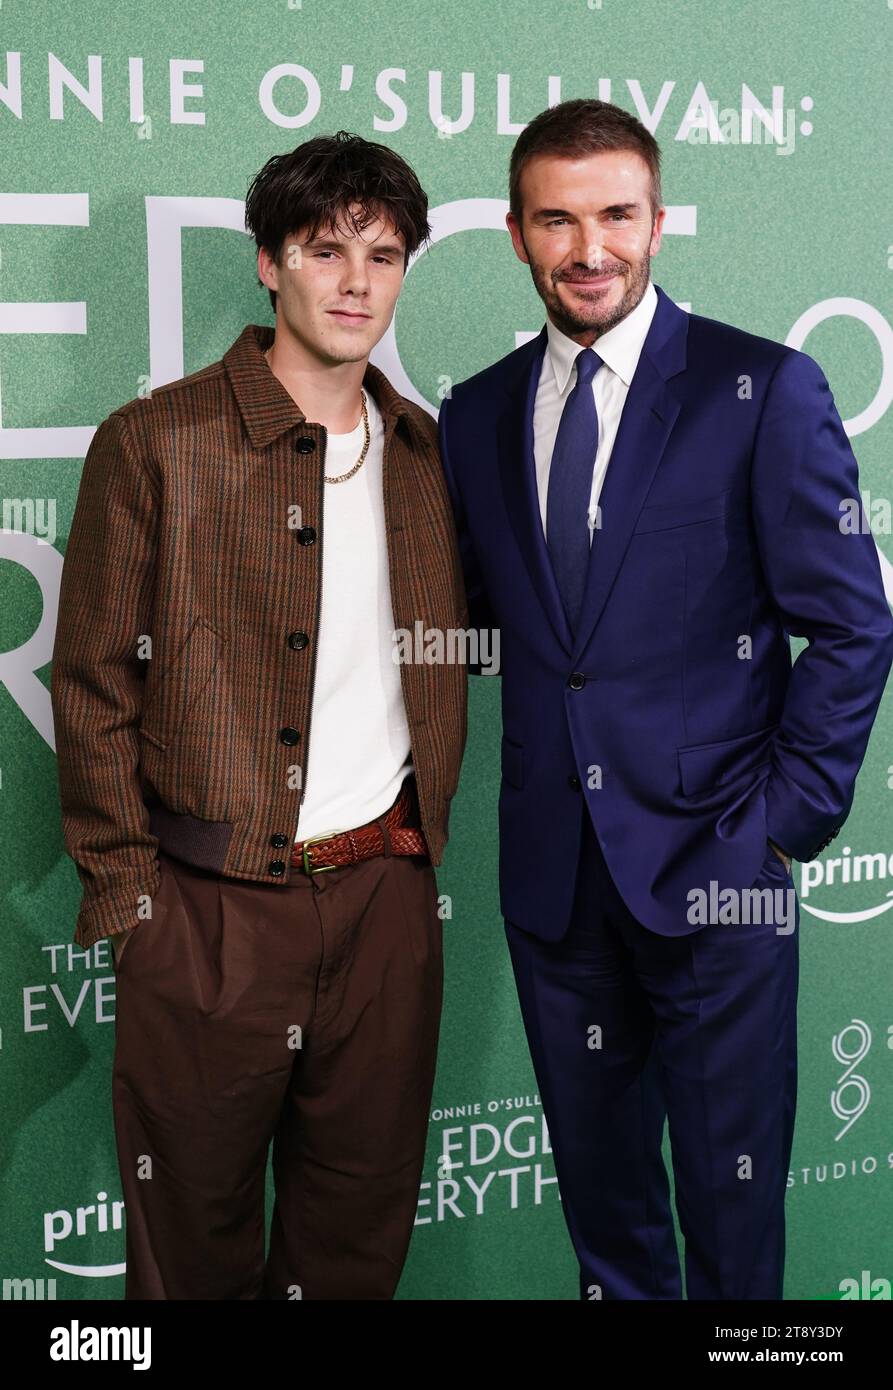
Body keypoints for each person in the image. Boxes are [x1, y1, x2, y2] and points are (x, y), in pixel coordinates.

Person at [437, 98, 893, 1299]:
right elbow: (499, 626)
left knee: (732, 1238)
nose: (589, 248)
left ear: (659, 221)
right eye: (557, 219)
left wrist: (777, 824)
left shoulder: (762, 388)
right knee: (609, 1228)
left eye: (615, 215)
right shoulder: (475, 413)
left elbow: (851, 623)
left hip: (720, 874)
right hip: (553, 886)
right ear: (515, 232)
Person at [51, 131, 468, 1300]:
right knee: (189, 1247)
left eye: (383, 256)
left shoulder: (428, 456)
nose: (354, 280)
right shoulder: (157, 443)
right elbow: (90, 682)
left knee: (353, 1240)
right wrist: (133, 898)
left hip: (388, 896)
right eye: (324, 248)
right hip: (209, 914)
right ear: (267, 263)